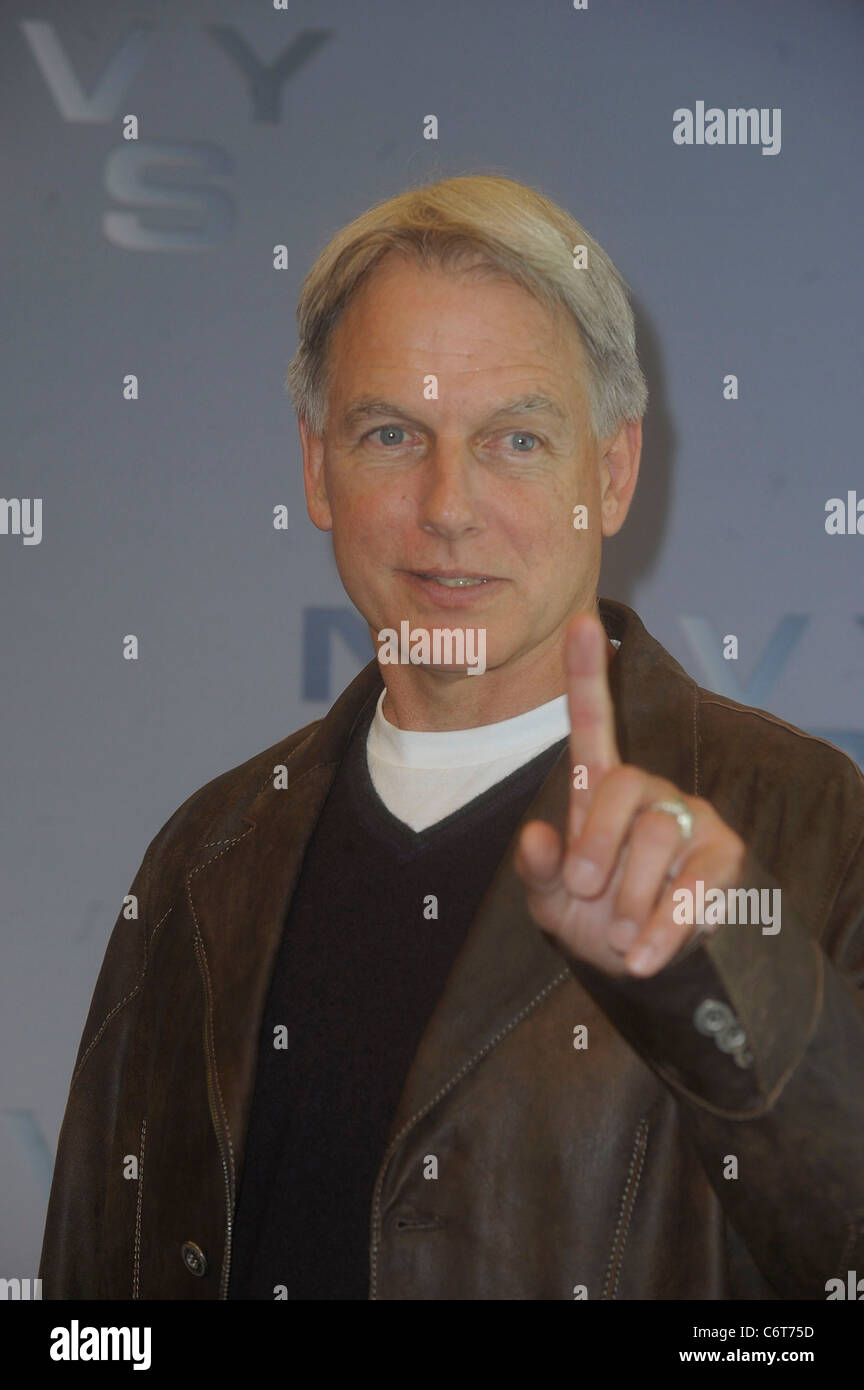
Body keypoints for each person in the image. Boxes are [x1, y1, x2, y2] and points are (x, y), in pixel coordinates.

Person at [40, 175, 864, 1301]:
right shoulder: (202, 858)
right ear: (315, 465)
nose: (447, 505)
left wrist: (741, 984)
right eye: (391, 433)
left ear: (612, 473)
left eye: (515, 439)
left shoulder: (813, 824)